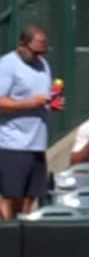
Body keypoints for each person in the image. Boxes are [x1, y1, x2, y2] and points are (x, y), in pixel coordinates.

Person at [0, 26, 54, 219]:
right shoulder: (7, 65)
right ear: (22, 45)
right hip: (12, 143)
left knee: (29, 198)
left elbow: (42, 97)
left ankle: (23, 237)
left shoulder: (43, 64)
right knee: (11, 196)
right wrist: (29, 104)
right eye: (35, 52)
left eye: (43, 52)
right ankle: (8, 235)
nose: (39, 56)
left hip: (37, 143)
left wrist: (51, 104)